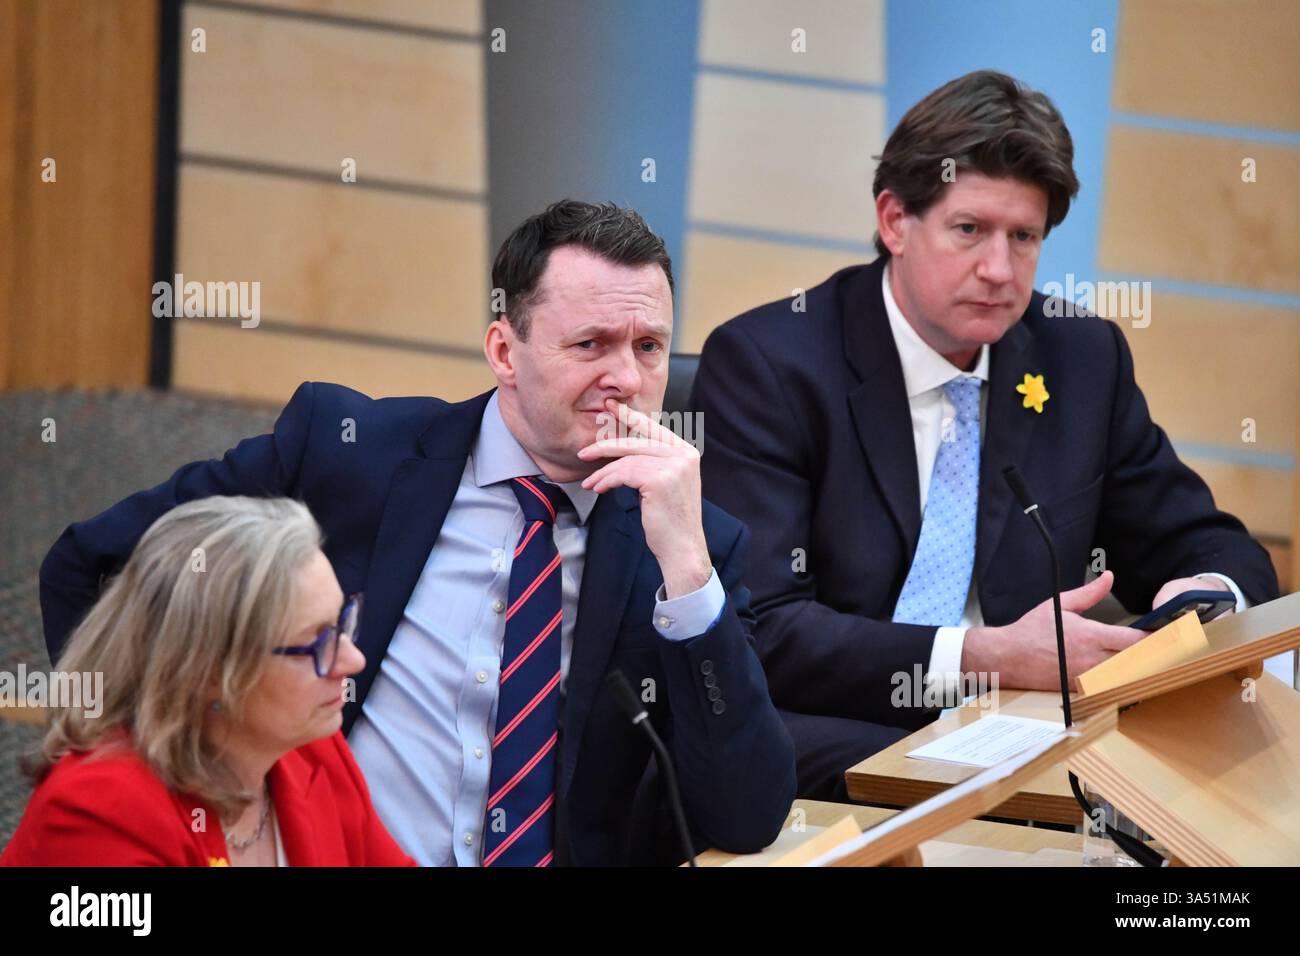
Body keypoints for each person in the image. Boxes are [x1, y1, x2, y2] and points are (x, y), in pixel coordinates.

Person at [38, 200, 796, 866]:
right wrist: (153, 776)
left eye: (650, 347)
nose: (627, 379)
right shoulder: (346, 452)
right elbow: (93, 565)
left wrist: (690, 575)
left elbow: (747, 816)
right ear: (504, 351)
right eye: (591, 344)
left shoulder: (694, 547)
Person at [690, 70, 1280, 802]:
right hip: (832, 727)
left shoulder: (1081, 359)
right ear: (895, 221)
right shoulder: (772, 365)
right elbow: (764, 630)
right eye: (969, 230)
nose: (999, 270)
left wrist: (1199, 598)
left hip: (1029, 726)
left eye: (1023, 237)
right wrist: (983, 657)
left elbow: (1221, 551)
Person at [4, 496, 414, 866]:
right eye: (318, 642)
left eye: (344, 626)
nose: (353, 660)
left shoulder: (312, 752)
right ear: (209, 672)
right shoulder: (99, 816)